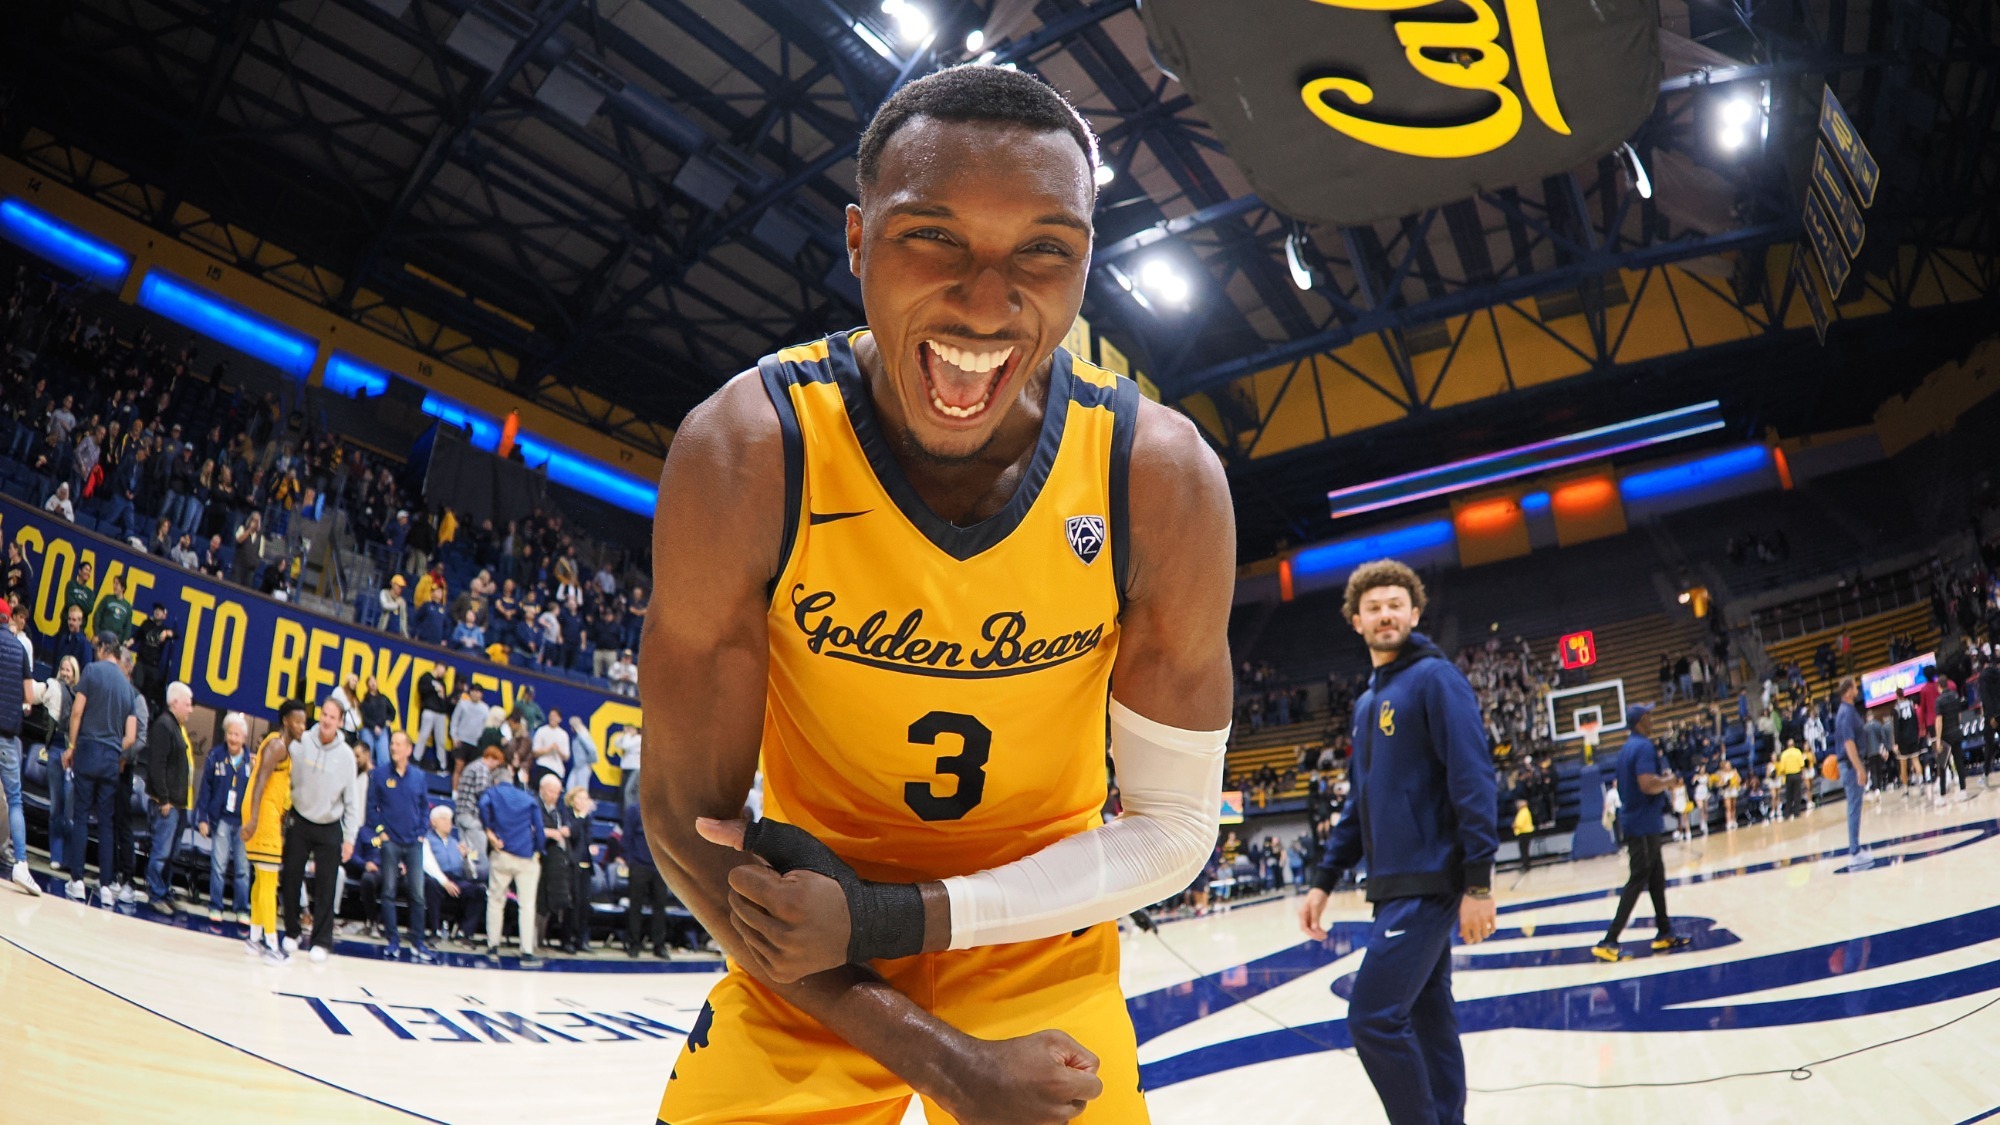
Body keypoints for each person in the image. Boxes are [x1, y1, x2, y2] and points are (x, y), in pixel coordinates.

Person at [638, 65, 1235, 1125]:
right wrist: (942, 1060)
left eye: (1043, 249)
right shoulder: (746, 453)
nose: (987, 298)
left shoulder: (1159, 478)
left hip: (1034, 934)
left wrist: (885, 921)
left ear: (1085, 262)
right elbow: (687, 824)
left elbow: (1174, 831)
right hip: (802, 942)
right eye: (935, 237)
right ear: (859, 240)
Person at [1297, 561, 1496, 1125]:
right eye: (1374, 607)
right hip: (1392, 887)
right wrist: (1322, 882)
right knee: (1431, 1020)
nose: (1385, 614)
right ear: (1355, 620)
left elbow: (1473, 779)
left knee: (1373, 1017)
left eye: (1395, 604)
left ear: (1414, 612)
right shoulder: (1366, 704)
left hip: (1430, 883)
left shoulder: (1436, 680)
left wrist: (1478, 881)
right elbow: (1361, 807)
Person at [1592, 704, 1693, 962]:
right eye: (1649, 715)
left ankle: (1664, 931)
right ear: (1640, 721)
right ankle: (1609, 940)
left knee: (1656, 877)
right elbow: (1647, 785)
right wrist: (1669, 781)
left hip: (1641, 822)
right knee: (1638, 878)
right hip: (1641, 823)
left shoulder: (1628, 747)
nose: (1652, 719)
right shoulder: (1644, 747)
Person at [278, 697, 362, 962]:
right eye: (324, 714)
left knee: (327, 885)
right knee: (290, 877)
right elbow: (284, 775)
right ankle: (292, 932)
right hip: (300, 819)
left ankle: (322, 941)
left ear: (339, 722)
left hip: (329, 825)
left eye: (332, 717)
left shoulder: (347, 756)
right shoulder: (301, 742)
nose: (326, 720)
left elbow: (352, 802)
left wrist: (349, 838)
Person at [63, 632, 140, 904]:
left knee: (82, 816)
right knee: (107, 822)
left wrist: (71, 746)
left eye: (97, 647)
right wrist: (114, 749)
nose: (95, 651)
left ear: (104, 647)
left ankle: (76, 881)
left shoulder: (92, 672)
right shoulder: (127, 687)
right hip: (111, 758)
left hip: (87, 750)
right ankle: (106, 887)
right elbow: (131, 735)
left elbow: (76, 712)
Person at [365, 730, 437, 962]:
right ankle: (393, 940)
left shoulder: (418, 776)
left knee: (418, 894)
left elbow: (425, 807)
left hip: (414, 844)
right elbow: (371, 808)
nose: (394, 747)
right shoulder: (379, 775)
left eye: (398, 744)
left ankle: (417, 941)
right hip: (390, 842)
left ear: (408, 749)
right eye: (392, 744)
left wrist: (422, 832)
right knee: (388, 892)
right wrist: (381, 833)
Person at [243, 701, 306, 959]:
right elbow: (259, 781)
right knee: (269, 882)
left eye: (304, 722)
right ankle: (271, 944)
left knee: (261, 879)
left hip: (266, 814)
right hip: (263, 815)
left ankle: (254, 938)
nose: (303, 727)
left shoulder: (283, 746)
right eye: (298, 722)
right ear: (285, 722)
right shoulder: (278, 745)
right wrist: (254, 819)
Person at [142, 681, 199, 915]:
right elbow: (157, 766)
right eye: (188, 704)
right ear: (174, 702)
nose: (191, 709)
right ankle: (155, 894)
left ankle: (164, 891)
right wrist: (164, 799)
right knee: (161, 852)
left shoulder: (176, 726)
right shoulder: (164, 726)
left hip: (179, 804)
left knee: (171, 854)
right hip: (167, 804)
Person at [478, 759, 543, 963]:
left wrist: (489, 829)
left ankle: (493, 946)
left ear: (495, 780)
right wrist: (537, 849)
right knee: (527, 905)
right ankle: (527, 951)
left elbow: (482, 804)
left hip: (502, 853)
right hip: (525, 856)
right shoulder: (527, 798)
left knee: (496, 901)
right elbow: (539, 829)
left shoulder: (492, 793)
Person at [195, 712, 254, 922]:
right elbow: (205, 789)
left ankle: (241, 909)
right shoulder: (215, 756)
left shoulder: (251, 762)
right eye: (229, 733)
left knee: (242, 870)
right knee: (218, 866)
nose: (233, 738)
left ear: (244, 738)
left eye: (237, 734)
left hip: (243, 824)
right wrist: (202, 818)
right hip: (221, 820)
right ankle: (215, 906)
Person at [0, 603, 37, 896]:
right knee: (14, 799)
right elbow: (28, 696)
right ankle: (21, 865)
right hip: (8, 736)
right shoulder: (20, 649)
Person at [421, 804, 484, 946]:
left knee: (478, 891)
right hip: (437, 878)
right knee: (430, 885)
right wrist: (444, 882)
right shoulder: (426, 840)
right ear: (434, 822)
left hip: (456, 878)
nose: (448, 822)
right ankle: (434, 931)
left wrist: (466, 856)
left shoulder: (456, 842)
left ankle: (463, 933)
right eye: (443, 819)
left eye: (449, 819)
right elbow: (428, 864)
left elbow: (472, 868)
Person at [624, 789, 672, 957]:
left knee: (660, 908)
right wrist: (631, 862)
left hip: (659, 868)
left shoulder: (664, 814)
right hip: (638, 865)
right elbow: (627, 838)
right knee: (635, 906)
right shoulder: (633, 810)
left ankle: (659, 946)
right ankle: (634, 944)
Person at [1831, 677, 1871, 866]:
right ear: (1847, 691)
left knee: (1855, 807)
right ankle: (1854, 851)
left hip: (1850, 764)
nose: (1857, 689)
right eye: (1855, 687)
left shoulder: (1848, 711)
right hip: (1850, 765)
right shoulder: (1845, 713)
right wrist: (1859, 768)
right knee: (1854, 808)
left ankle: (1856, 848)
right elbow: (1849, 743)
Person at [449, 680, 489, 785]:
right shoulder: (462, 704)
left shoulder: (485, 709)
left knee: (471, 771)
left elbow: (485, 727)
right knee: (458, 767)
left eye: (478, 692)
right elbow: (454, 721)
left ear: (482, 694)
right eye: (474, 691)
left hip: (475, 743)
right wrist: (454, 737)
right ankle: (455, 793)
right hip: (462, 740)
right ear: (470, 692)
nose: (476, 694)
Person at [414, 665, 452, 769]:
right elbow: (421, 689)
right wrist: (433, 688)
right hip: (429, 710)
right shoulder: (426, 677)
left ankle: (442, 765)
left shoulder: (442, 682)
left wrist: (442, 695)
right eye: (444, 670)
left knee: (441, 740)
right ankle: (416, 759)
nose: (444, 673)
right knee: (423, 736)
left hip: (440, 713)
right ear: (438, 667)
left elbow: (443, 699)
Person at [357, 675, 396, 768]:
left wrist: (389, 720)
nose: (373, 683)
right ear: (367, 685)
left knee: (384, 757)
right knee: (366, 754)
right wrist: (374, 726)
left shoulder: (383, 698)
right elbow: (364, 718)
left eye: (374, 681)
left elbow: (393, 711)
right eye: (370, 682)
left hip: (382, 729)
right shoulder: (365, 701)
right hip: (368, 729)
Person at [530, 708, 569, 794]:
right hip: (543, 766)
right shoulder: (541, 731)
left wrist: (558, 750)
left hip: (557, 769)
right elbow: (535, 752)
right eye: (551, 716)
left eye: (555, 716)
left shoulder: (563, 735)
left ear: (560, 719)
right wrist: (548, 749)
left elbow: (566, 757)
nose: (552, 718)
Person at [1777, 740, 1808, 818]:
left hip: (1789, 776)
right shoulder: (1797, 752)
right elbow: (1802, 764)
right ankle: (1796, 812)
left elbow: (1782, 769)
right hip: (1797, 775)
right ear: (1793, 745)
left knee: (1789, 795)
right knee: (1797, 794)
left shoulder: (1784, 754)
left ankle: (1787, 813)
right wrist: (1803, 774)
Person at [1511, 799, 1535, 874]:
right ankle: (1526, 865)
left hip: (1524, 833)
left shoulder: (1523, 812)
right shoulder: (1524, 811)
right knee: (1525, 851)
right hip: (1525, 833)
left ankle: (1526, 866)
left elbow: (1519, 824)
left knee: (1524, 851)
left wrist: (1514, 825)